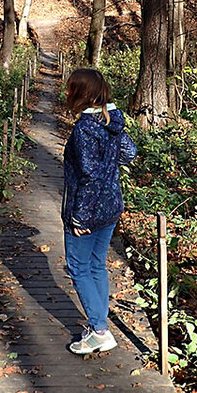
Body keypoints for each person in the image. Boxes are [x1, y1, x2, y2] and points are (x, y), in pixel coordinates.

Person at [61, 67, 137, 355]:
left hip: (89, 210)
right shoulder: (112, 121)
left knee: (79, 267)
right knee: (95, 265)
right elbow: (130, 154)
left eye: (71, 89)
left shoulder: (84, 130)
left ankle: (100, 331)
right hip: (110, 207)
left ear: (83, 94)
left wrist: (80, 217)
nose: (66, 93)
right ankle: (99, 324)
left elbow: (90, 176)